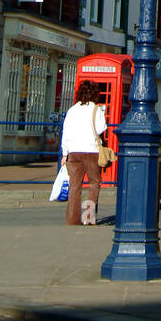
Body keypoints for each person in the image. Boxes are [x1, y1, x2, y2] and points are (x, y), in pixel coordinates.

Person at [60, 81, 106, 225]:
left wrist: (65, 153)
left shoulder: (72, 110)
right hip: (92, 151)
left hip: (74, 152)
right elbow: (101, 128)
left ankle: (72, 219)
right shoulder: (96, 110)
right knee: (94, 183)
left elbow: (65, 132)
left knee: (75, 186)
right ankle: (88, 217)